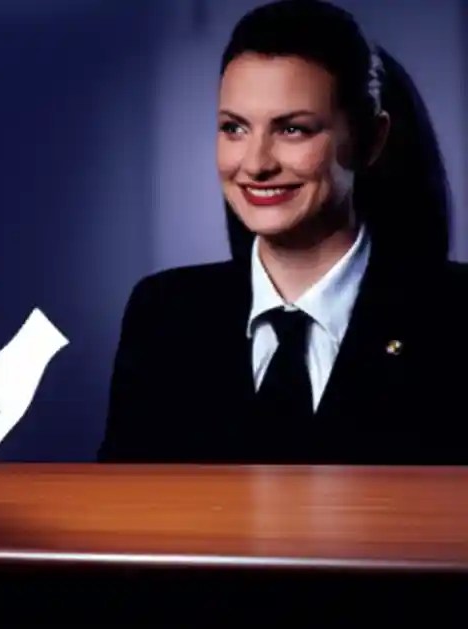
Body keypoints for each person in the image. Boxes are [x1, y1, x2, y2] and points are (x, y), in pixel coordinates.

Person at [98, 0, 468, 466]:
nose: (255, 164)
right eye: (234, 128)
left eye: (292, 129)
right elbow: (124, 498)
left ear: (371, 139)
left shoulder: (456, 317)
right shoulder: (164, 315)